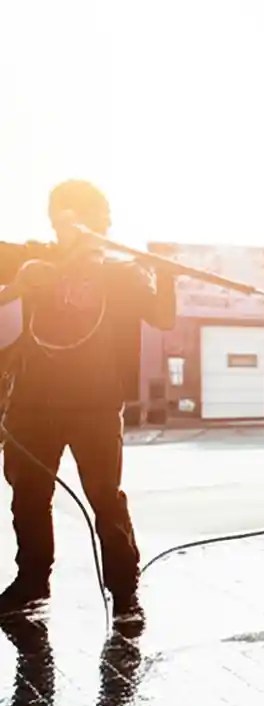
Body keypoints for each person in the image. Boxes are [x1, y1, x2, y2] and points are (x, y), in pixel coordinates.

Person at [0, 180, 175, 617]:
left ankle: (124, 592)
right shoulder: (31, 257)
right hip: (32, 403)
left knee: (104, 496)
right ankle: (32, 582)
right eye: (85, 218)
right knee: (28, 497)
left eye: (103, 220)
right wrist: (19, 286)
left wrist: (167, 269)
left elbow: (163, 317)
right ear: (59, 220)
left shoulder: (120, 272)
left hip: (95, 405)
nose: (102, 226)